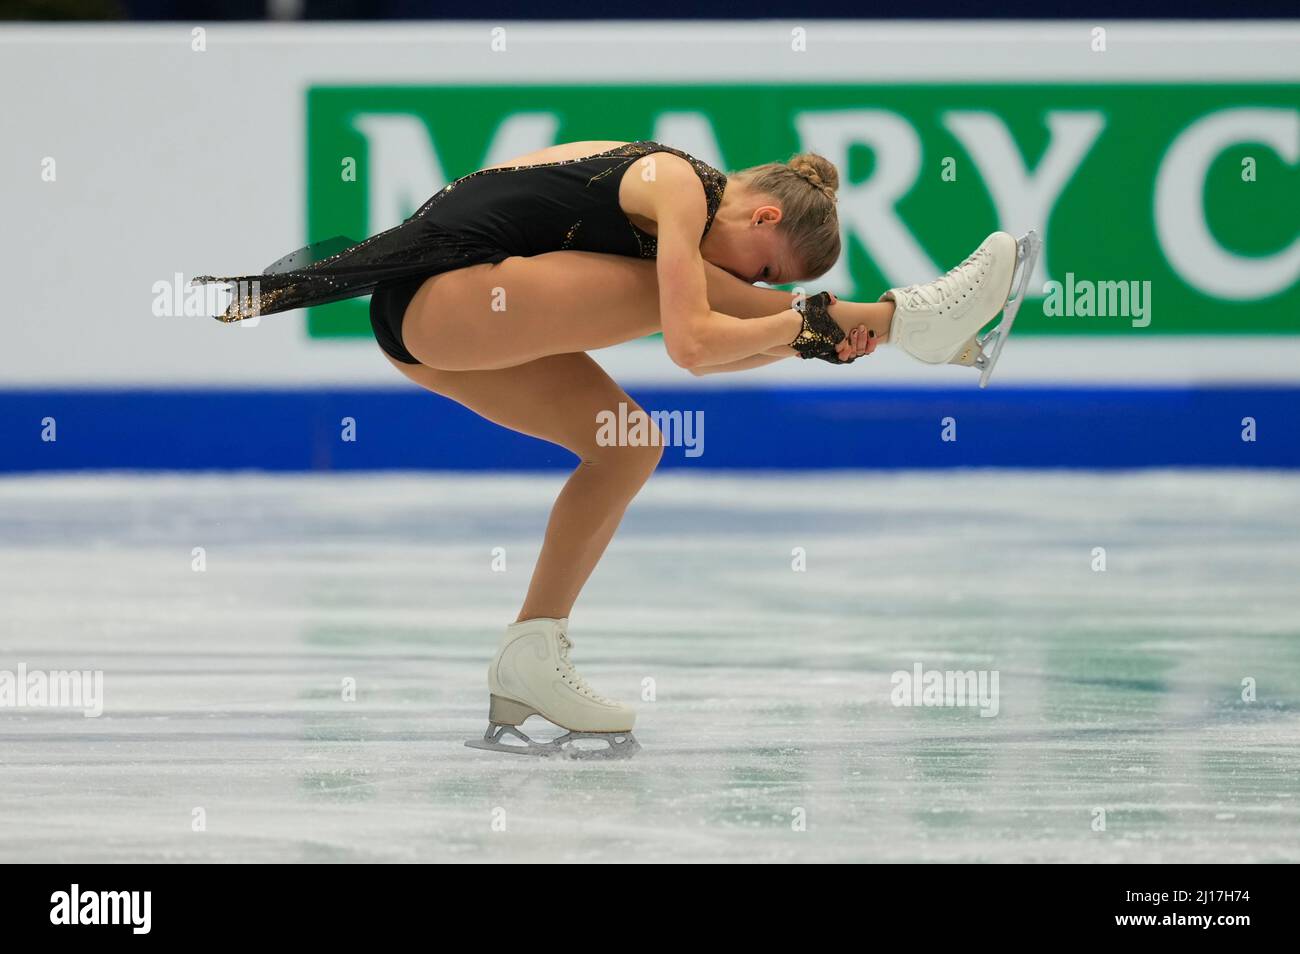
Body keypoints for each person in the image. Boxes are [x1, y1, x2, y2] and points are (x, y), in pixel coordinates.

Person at [195, 139, 1037, 758]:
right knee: (691, 302)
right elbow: (694, 348)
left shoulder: (704, 209)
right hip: (441, 299)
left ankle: (531, 651)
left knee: (629, 445)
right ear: (764, 214)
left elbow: (718, 333)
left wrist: (805, 335)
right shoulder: (677, 186)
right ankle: (915, 324)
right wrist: (803, 328)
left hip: (437, 326)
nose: (762, 286)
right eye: (769, 267)